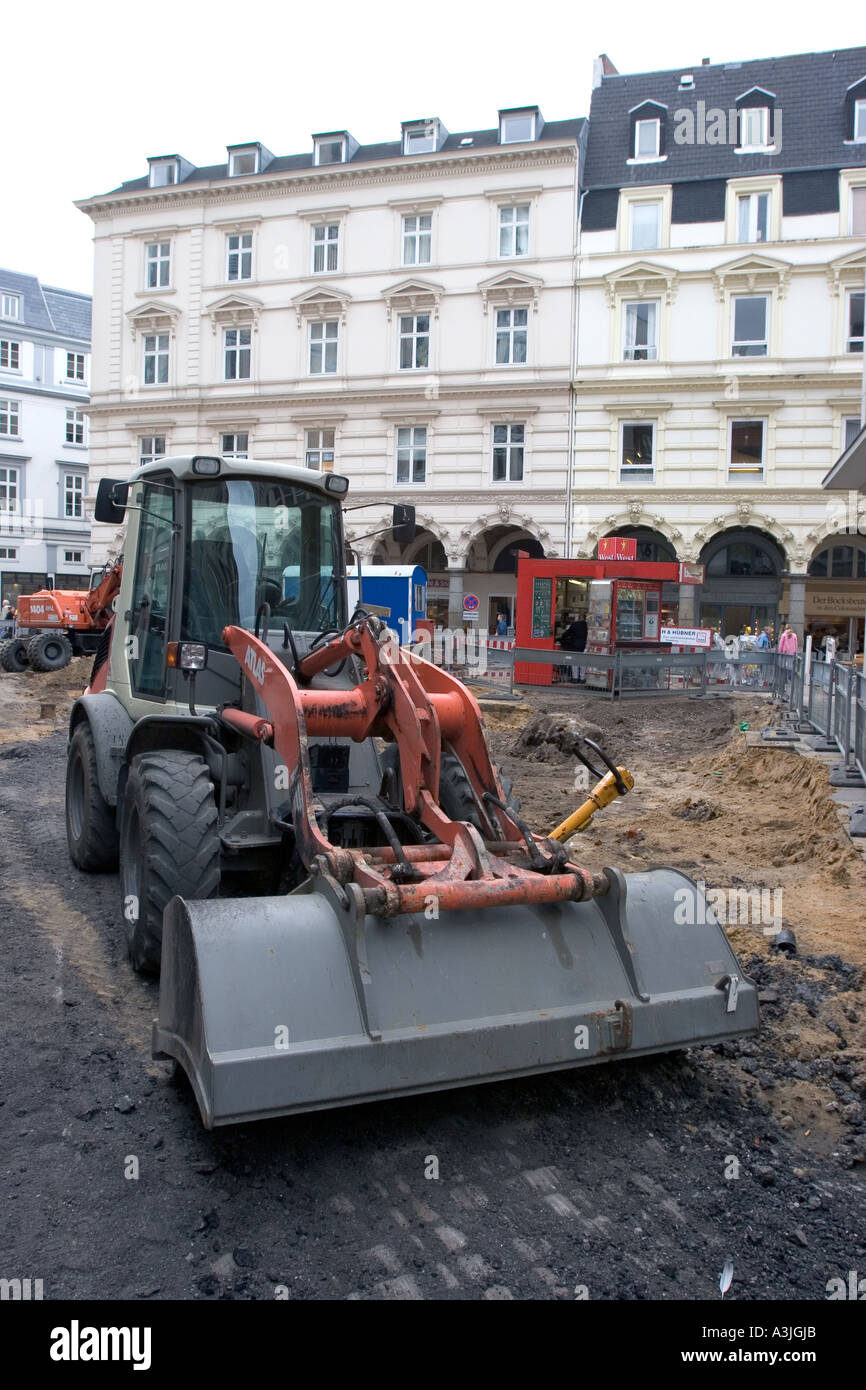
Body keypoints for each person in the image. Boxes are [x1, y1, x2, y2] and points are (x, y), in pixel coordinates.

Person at [560, 612, 588, 682]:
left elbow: (566, 633)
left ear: (578, 618)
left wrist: (562, 637)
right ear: (585, 618)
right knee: (583, 663)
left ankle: (575, 678)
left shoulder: (574, 624)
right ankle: (582, 678)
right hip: (584, 646)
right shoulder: (587, 625)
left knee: (574, 662)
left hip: (574, 646)